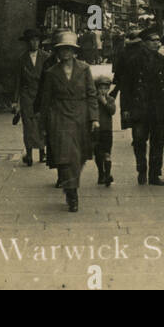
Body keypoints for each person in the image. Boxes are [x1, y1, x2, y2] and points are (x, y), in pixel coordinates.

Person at [34, 31, 99, 211]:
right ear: (58, 52)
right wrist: (44, 125)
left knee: (78, 157)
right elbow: (46, 100)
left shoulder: (84, 69)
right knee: (65, 156)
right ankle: (72, 194)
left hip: (80, 115)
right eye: (62, 50)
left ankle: (70, 185)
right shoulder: (51, 73)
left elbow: (91, 94)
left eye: (69, 50)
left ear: (74, 51)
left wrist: (94, 118)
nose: (65, 53)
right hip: (59, 116)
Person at [116, 25, 164, 185]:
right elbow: (126, 87)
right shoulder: (134, 62)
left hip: (159, 108)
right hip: (140, 108)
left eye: (158, 40)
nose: (157, 43)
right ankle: (141, 168)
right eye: (153, 41)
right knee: (139, 140)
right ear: (144, 43)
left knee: (158, 142)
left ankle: (154, 174)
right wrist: (125, 108)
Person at [15, 28, 51, 166]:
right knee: (28, 125)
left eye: (37, 40)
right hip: (27, 96)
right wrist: (15, 101)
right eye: (32, 40)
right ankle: (29, 154)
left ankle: (42, 152)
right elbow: (18, 80)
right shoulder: (22, 59)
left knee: (41, 124)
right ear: (27, 42)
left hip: (42, 96)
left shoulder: (46, 57)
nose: (34, 43)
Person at [93, 73, 116, 186]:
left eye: (106, 88)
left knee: (107, 153)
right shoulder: (93, 100)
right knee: (98, 154)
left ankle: (107, 174)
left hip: (107, 130)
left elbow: (112, 111)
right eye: (101, 88)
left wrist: (105, 102)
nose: (103, 91)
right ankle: (101, 173)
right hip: (96, 131)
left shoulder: (110, 99)